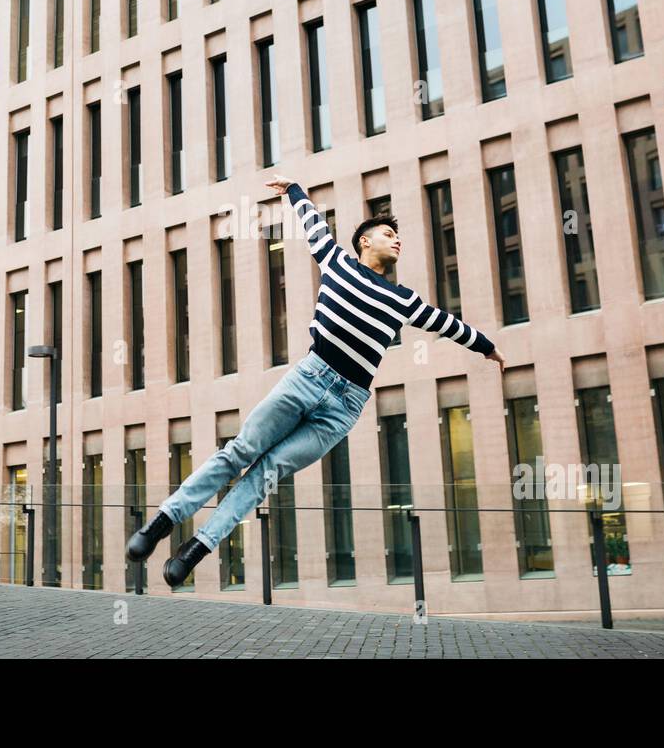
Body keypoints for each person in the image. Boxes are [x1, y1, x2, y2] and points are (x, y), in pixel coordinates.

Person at [127, 175, 506, 586]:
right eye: (388, 234)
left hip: (345, 407)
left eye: (399, 236)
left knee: (265, 474)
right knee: (241, 452)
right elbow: (313, 224)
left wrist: (487, 347)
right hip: (309, 377)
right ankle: (161, 523)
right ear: (364, 241)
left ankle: (196, 549)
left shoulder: (404, 300)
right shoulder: (336, 261)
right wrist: (293, 190)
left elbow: (447, 324)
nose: (397, 241)